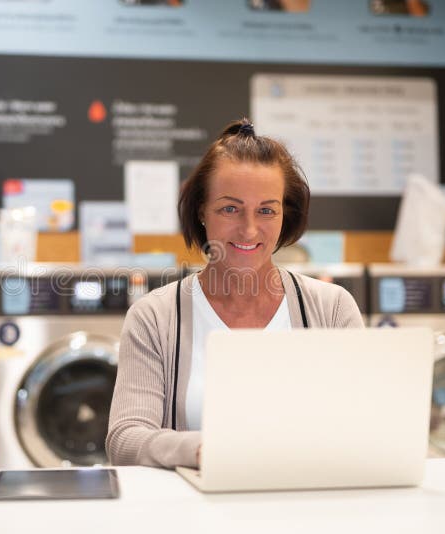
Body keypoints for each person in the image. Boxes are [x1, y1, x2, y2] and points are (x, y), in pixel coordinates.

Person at [106, 118, 364, 469]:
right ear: (201, 212)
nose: (249, 228)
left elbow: (363, 425)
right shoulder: (155, 316)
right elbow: (125, 439)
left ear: (285, 215)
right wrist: (205, 451)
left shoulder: (332, 309)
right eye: (230, 208)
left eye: (267, 210)